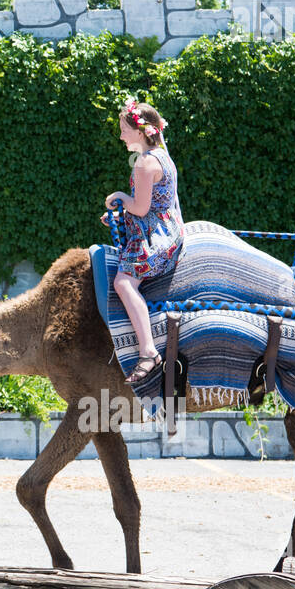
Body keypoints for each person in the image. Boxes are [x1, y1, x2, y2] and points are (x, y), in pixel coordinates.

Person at [102, 98, 186, 384]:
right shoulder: (161, 155)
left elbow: (139, 208)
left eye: (125, 129)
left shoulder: (145, 162)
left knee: (123, 282)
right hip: (166, 228)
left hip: (156, 237)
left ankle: (148, 352)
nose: (122, 135)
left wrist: (122, 198)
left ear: (141, 132)